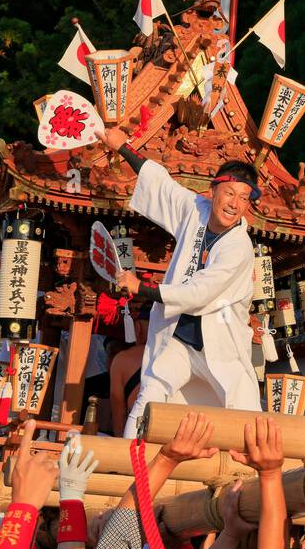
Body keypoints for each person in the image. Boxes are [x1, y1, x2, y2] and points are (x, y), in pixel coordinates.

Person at [99, 126, 263, 434]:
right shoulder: (195, 210)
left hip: (222, 344)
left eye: (243, 198)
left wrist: (140, 287)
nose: (234, 204)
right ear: (213, 190)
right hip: (179, 340)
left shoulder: (239, 247)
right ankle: (128, 459)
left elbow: (199, 293)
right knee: (151, 393)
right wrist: (122, 146)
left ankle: (253, 473)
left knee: (245, 412)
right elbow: (160, 183)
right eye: (230, 193)